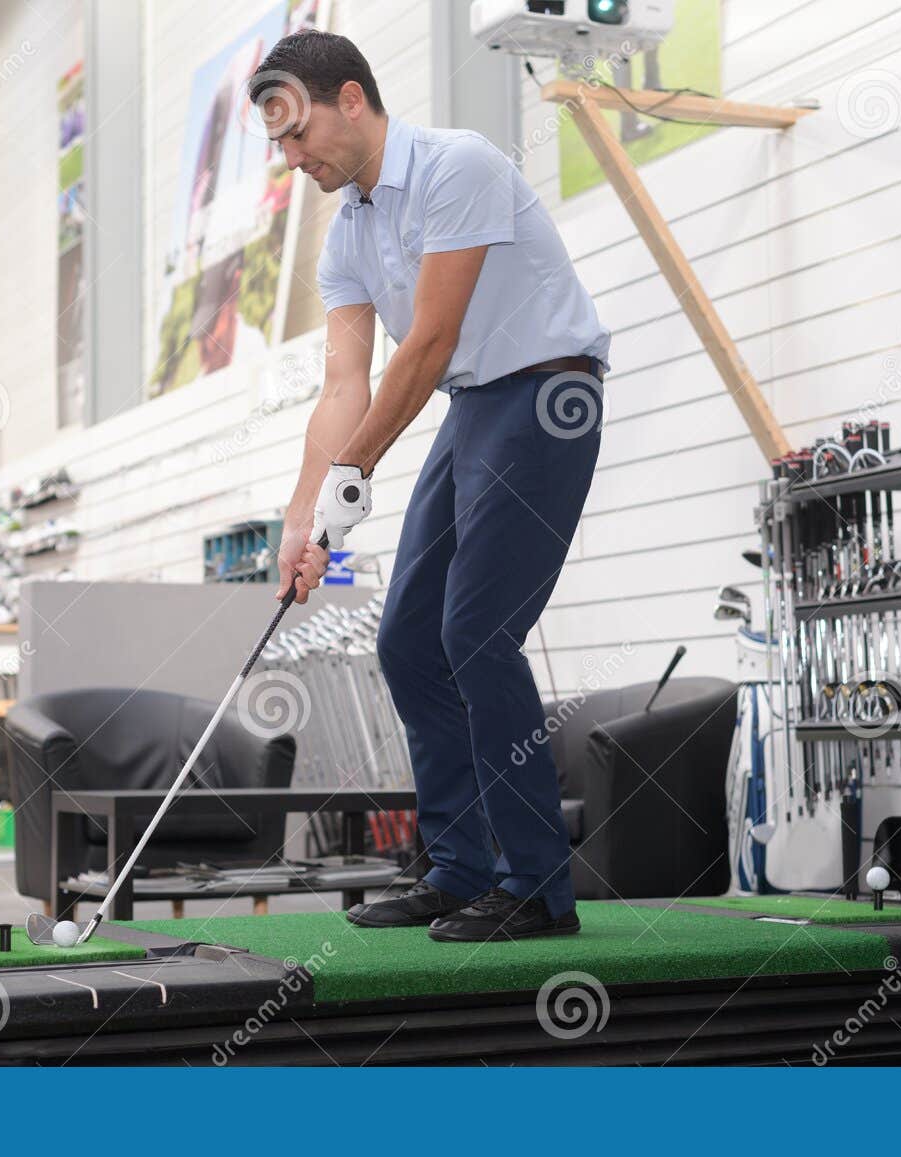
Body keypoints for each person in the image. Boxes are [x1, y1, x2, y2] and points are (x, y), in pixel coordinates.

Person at [254, 30, 609, 942]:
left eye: (299, 138)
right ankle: (458, 868)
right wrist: (303, 521)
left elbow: (430, 344)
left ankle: (536, 887)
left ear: (353, 101)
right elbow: (345, 386)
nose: (293, 161)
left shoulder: (461, 165)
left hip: (546, 391)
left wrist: (349, 484)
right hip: (474, 408)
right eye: (279, 147)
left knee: (476, 632)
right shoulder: (349, 236)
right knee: (411, 637)